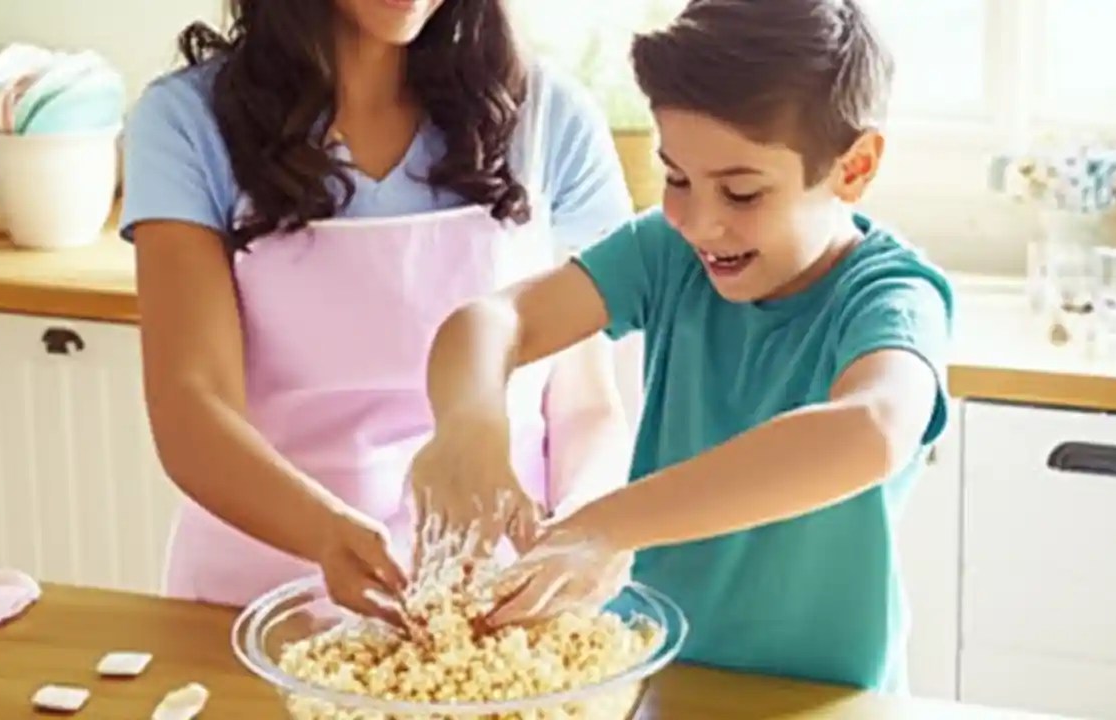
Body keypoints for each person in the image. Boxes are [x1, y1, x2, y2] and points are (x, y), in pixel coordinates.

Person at [410, 0, 954, 693]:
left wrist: (608, 527)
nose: (700, 221)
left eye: (743, 191)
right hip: (661, 678)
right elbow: (491, 321)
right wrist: (471, 425)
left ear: (853, 167)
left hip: (823, 699)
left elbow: (869, 431)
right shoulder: (669, 254)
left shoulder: (892, 297)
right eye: (676, 178)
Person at [119, 0, 634, 622]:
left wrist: (584, 528)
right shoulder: (187, 122)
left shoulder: (552, 118)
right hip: (255, 596)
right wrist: (326, 532)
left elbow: (583, 402)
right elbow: (192, 405)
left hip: (494, 606)